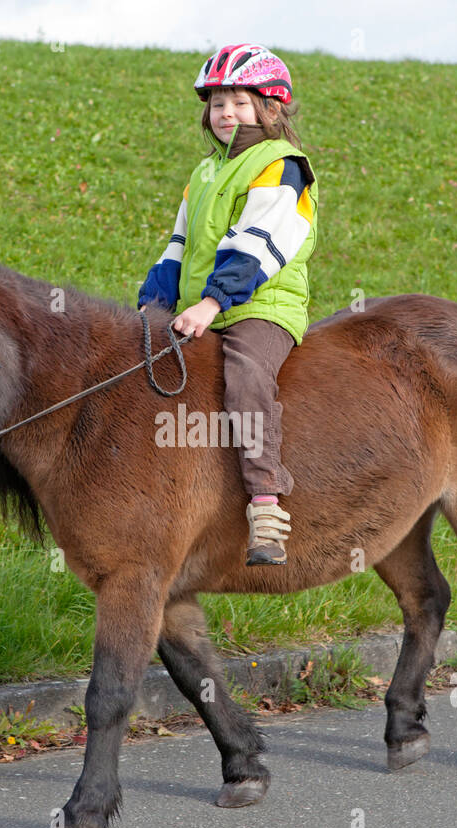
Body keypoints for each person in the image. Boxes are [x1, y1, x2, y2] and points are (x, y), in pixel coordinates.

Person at [137, 42, 319, 566]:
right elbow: (177, 248)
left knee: (244, 377)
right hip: (203, 307)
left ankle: (265, 504)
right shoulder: (204, 175)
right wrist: (154, 307)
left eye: (238, 102)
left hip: (259, 307)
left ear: (271, 107)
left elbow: (256, 245)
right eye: (218, 103)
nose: (225, 114)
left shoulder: (282, 166)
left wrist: (212, 304)